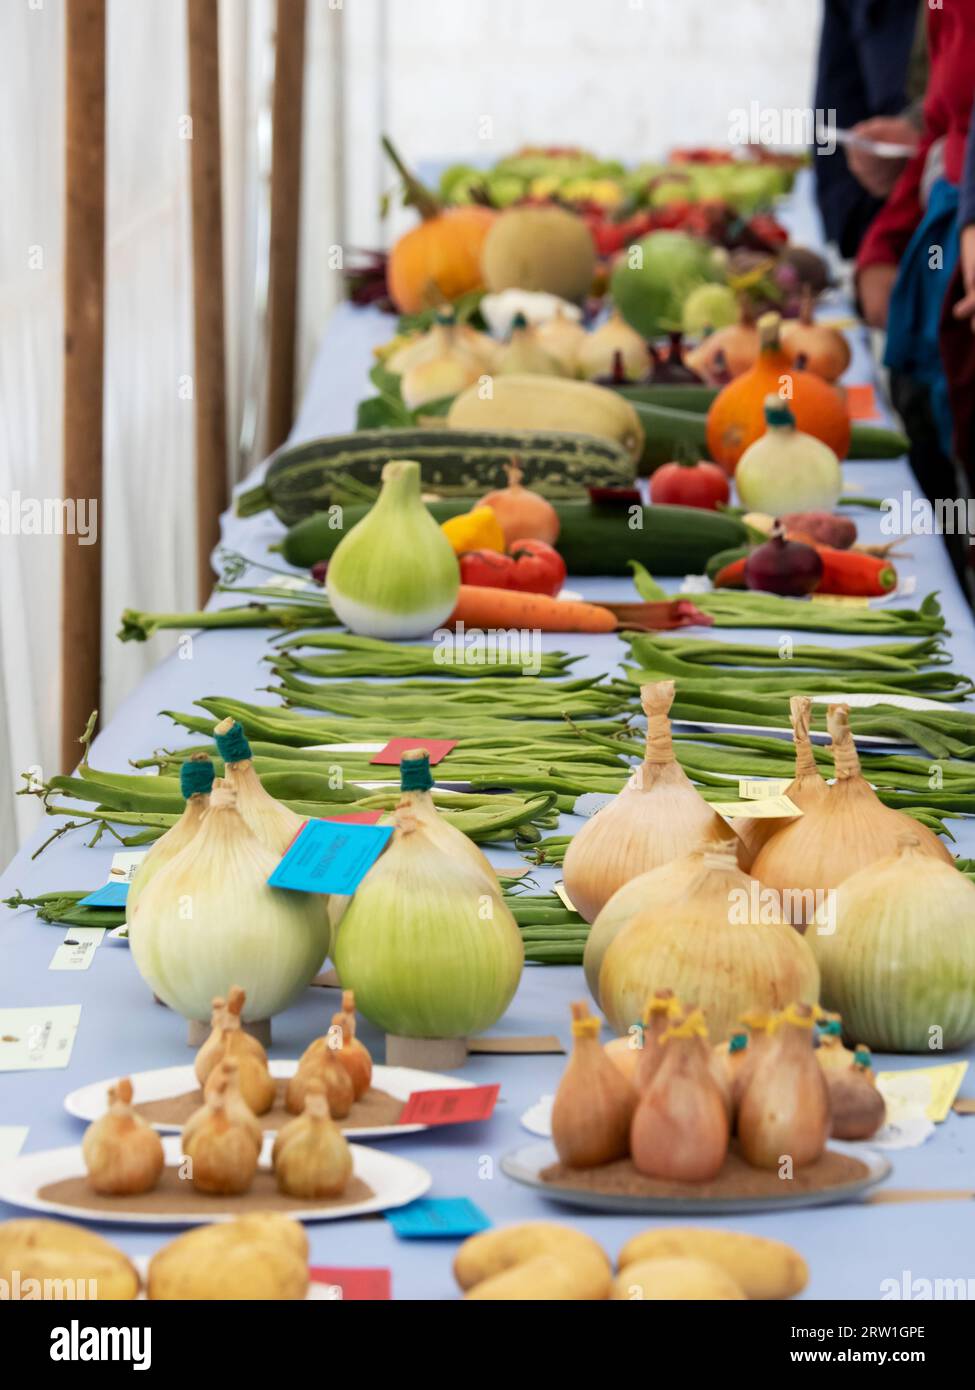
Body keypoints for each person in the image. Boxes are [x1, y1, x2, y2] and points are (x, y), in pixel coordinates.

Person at [812, 0, 922, 258]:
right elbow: (834, 109)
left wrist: (923, 131)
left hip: (947, 219)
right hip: (892, 225)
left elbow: (955, 105)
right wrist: (863, 248)